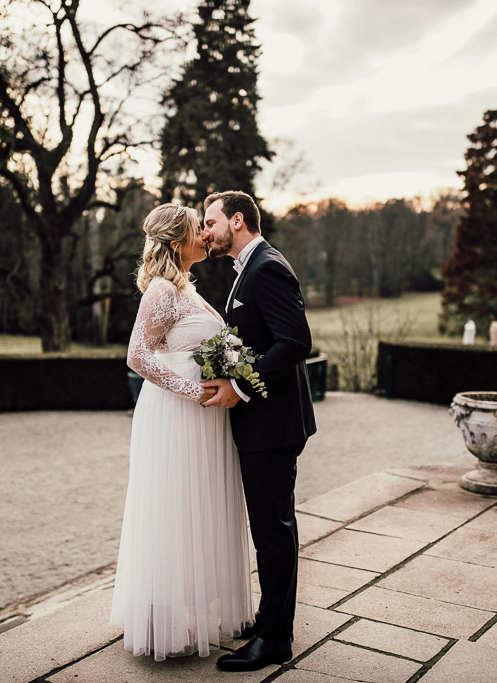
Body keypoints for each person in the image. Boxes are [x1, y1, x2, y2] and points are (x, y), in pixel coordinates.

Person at [110, 203, 254, 660]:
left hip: (203, 417)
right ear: (177, 243)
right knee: (172, 506)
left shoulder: (186, 287)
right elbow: (138, 356)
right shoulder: (160, 290)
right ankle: (161, 625)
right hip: (176, 415)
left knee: (200, 505)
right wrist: (192, 391)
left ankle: (192, 606)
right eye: (198, 229)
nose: (206, 235)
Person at [200, 190, 317, 672]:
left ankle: (275, 639)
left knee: (273, 532)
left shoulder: (266, 266)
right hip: (264, 425)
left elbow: (296, 343)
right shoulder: (246, 267)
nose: (205, 231)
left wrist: (240, 388)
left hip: (273, 425)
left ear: (238, 220)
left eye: (210, 222)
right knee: (270, 529)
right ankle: (270, 621)